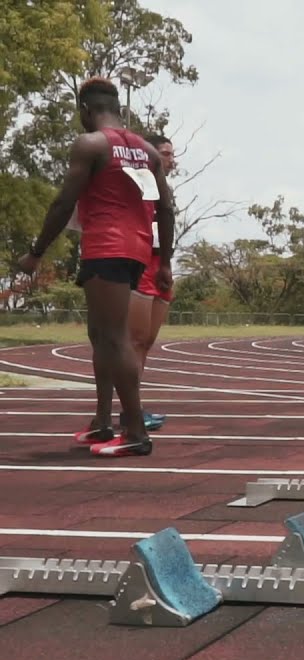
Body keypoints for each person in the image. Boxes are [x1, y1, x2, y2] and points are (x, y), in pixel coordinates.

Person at [18, 77, 175, 457]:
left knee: (115, 336)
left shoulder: (90, 144)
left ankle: (135, 431)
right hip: (134, 249)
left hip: (107, 245)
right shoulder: (145, 153)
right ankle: (103, 422)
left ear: (85, 111)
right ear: (117, 109)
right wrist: (164, 260)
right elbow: (164, 207)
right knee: (100, 335)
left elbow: (63, 202)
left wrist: (36, 252)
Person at [125, 132, 178, 431]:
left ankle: (136, 408)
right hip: (144, 264)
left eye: (172, 153)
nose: (172, 159)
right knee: (134, 341)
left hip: (162, 267)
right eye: (166, 154)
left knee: (145, 343)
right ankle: (129, 412)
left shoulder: (163, 187)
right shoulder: (143, 184)